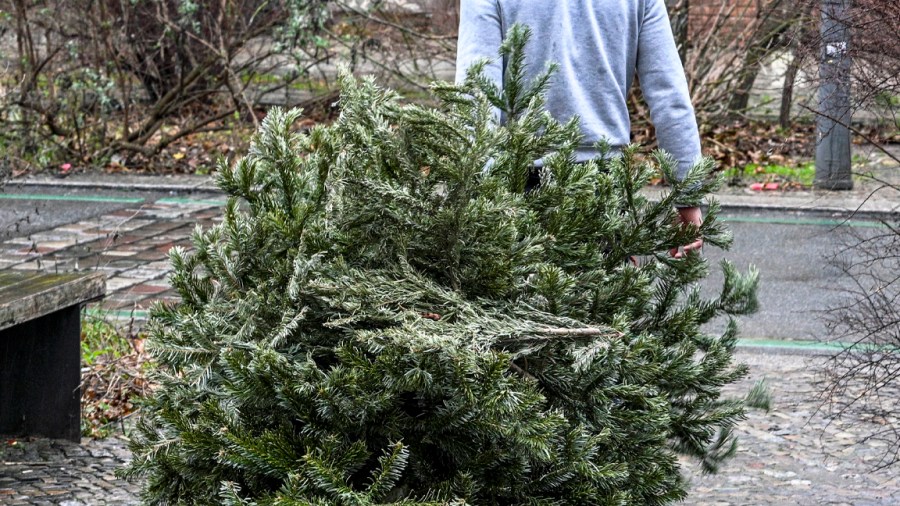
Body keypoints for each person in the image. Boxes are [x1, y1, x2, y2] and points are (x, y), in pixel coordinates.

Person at [456, 0, 704, 258]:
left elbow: (475, 96)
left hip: (518, 181)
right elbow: (669, 94)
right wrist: (688, 198)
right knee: (601, 294)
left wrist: (472, 201)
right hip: (602, 183)